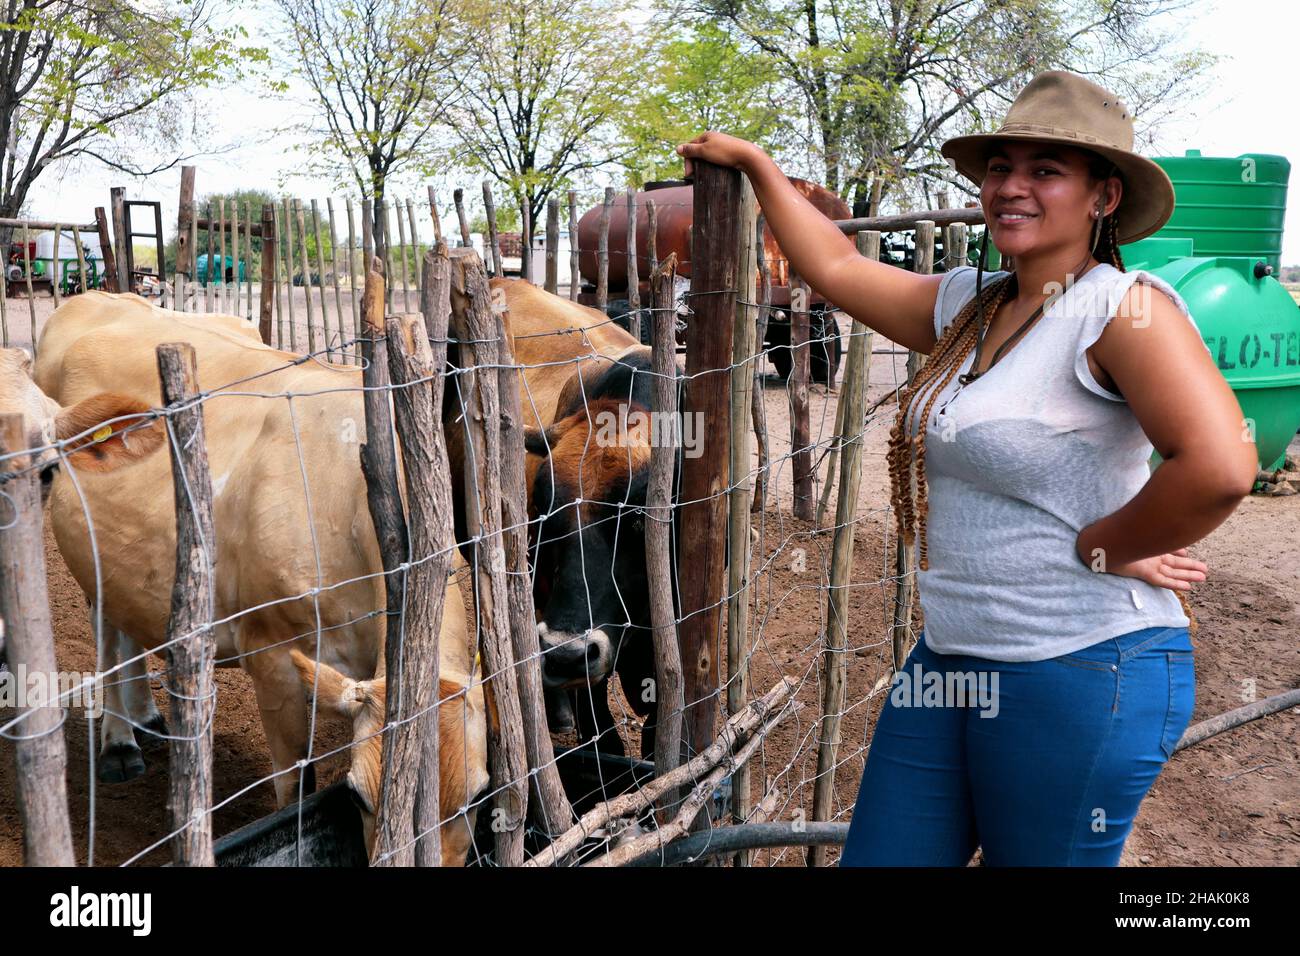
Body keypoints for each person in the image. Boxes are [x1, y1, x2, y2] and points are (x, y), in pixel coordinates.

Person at [676, 70, 1258, 865]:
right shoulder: (972, 306)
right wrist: (761, 168)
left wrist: (1111, 543)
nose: (1011, 188)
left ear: (1104, 198)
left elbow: (1221, 464)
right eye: (999, 168)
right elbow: (840, 272)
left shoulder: (1120, 310)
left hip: (1079, 667)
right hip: (948, 661)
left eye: (1045, 171)